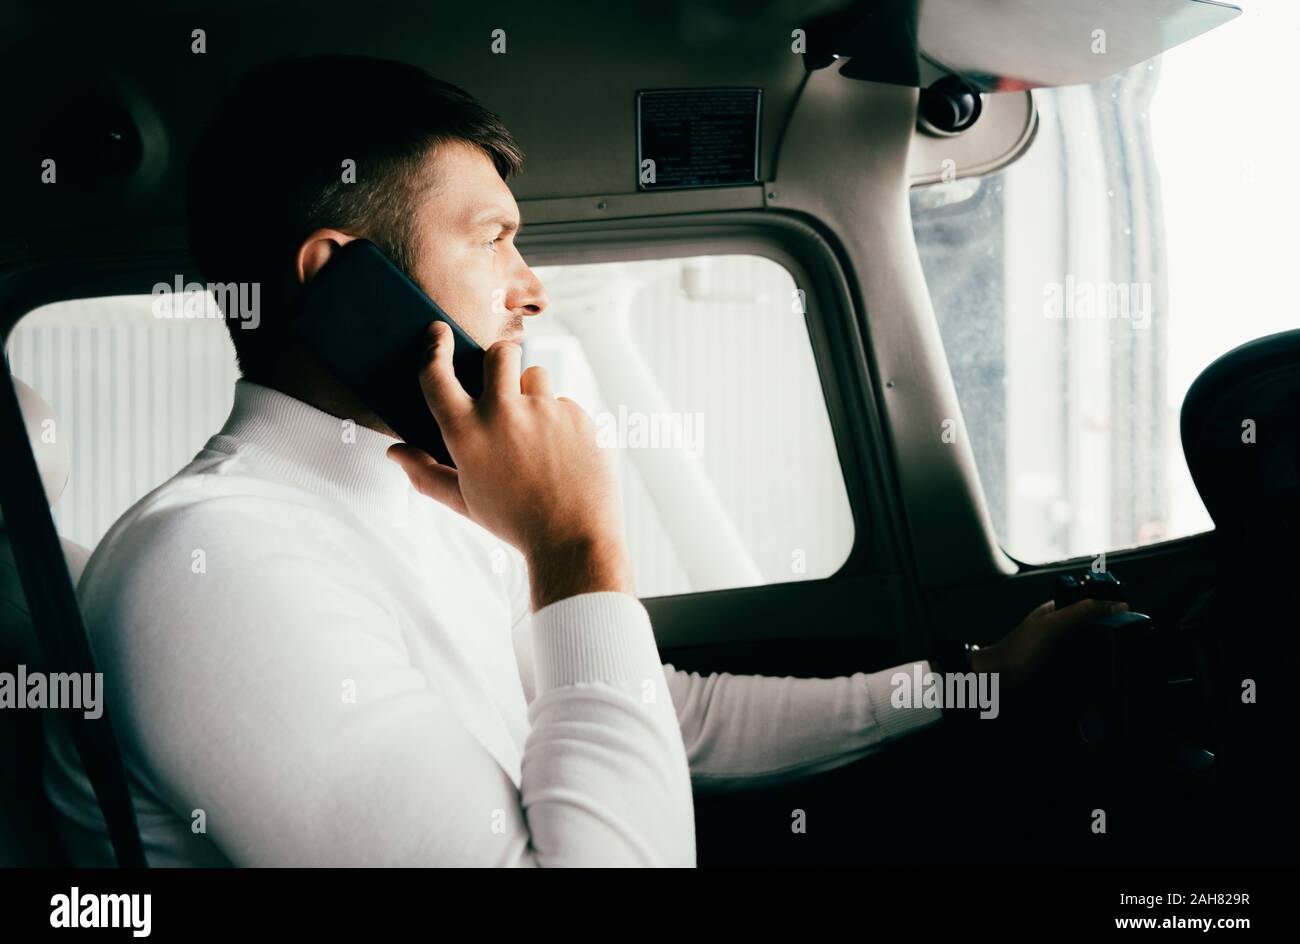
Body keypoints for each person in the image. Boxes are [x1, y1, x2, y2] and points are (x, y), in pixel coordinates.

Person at [44, 54, 1121, 866]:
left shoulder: (401, 488)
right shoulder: (221, 569)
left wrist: (963, 688)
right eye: (492, 238)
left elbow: (655, 714)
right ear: (341, 280)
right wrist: (575, 541)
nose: (532, 287)